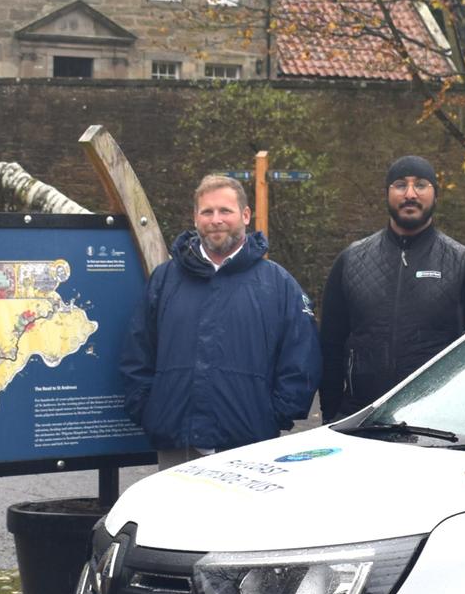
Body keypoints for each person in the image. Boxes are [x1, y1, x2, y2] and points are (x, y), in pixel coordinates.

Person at [121, 174, 320, 466]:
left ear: (245, 215)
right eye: (207, 212)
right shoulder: (165, 280)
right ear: (195, 217)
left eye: (225, 211)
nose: (216, 220)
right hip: (177, 442)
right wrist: (148, 409)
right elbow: (138, 352)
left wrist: (273, 414)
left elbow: (301, 357)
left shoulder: (277, 284)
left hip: (249, 445)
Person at [317, 155, 465, 421]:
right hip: (360, 417)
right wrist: (331, 414)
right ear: (387, 193)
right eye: (400, 185)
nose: (410, 194)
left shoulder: (462, 263)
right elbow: (330, 345)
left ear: (435, 195)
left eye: (421, 185)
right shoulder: (351, 261)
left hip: (437, 420)